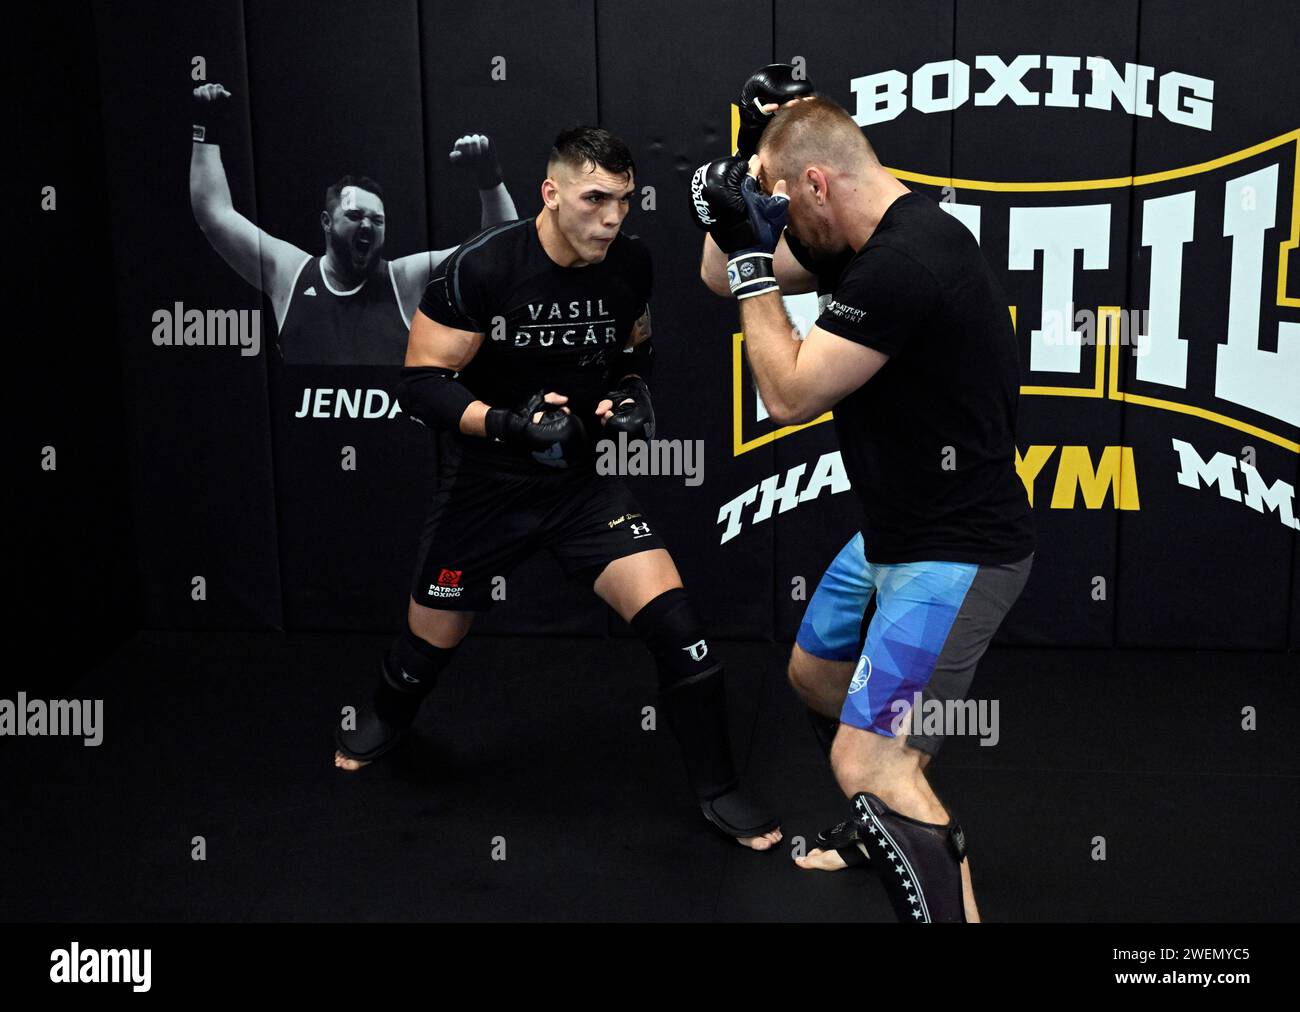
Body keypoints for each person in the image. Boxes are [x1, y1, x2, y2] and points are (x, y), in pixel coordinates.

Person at [333, 125, 782, 851]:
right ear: (551, 192)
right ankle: (387, 718)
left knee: (680, 631)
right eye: (595, 199)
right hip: (486, 489)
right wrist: (511, 425)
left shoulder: (629, 264)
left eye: (625, 201)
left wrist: (632, 398)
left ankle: (720, 787)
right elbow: (420, 384)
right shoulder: (481, 267)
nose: (612, 217)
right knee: (425, 649)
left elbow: (636, 355)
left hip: (582, 491)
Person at [693, 91, 1035, 920]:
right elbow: (718, 276)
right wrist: (745, 169)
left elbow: (788, 397)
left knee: (874, 762)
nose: (774, 218)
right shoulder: (853, 235)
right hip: (892, 532)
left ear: (816, 184)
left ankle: (889, 805)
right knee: (816, 678)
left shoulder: (906, 261)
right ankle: (874, 823)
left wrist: (748, 253)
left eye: (780, 200)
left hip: (956, 550)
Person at [190, 82, 517, 364]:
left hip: (389, 435)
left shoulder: (404, 280)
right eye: (355, 215)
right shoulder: (290, 274)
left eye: (377, 220)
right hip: (305, 434)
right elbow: (215, 216)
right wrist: (205, 131)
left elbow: (496, 253)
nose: (367, 226)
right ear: (326, 221)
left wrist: (488, 178)